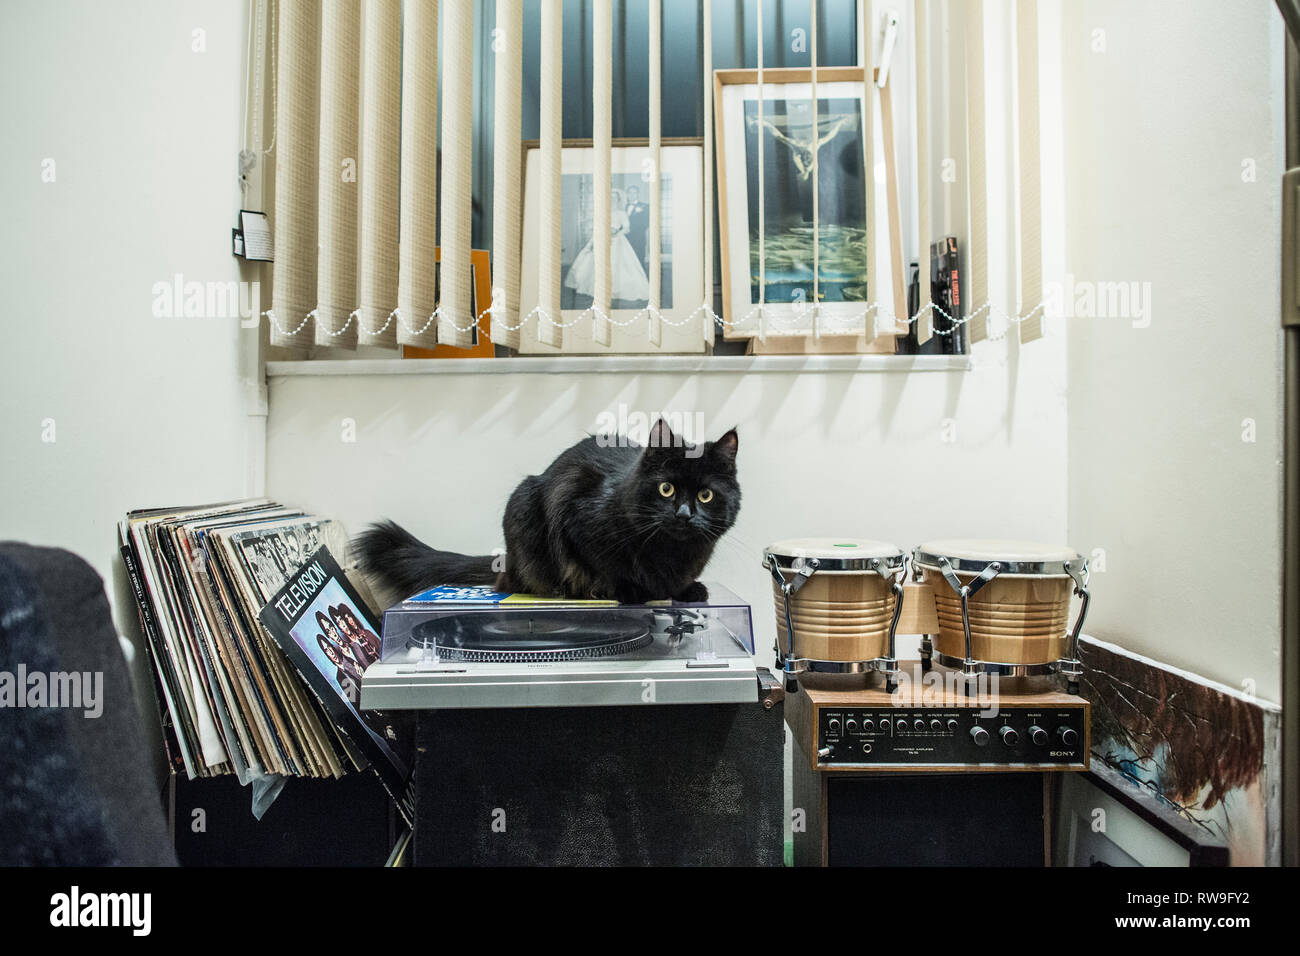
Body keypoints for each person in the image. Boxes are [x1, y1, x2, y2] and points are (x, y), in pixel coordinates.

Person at [563, 187, 650, 305]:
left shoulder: (621, 213)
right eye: (611, 198)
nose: (613, 200)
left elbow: (626, 228)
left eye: (615, 198)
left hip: (617, 241)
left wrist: (615, 233)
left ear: (618, 200)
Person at [317, 632, 362, 705]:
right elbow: (355, 703)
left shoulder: (350, 659)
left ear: (332, 647)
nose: (331, 652)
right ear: (326, 654)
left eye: (329, 647)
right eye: (326, 650)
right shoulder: (339, 677)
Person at [624, 184, 650, 271]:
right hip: (625, 239)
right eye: (630, 193)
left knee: (639, 260)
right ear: (627, 194)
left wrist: (631, 230)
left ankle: (642, 282)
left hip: (638, 239)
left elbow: (646, 223)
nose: (632, 195)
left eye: (634, 193)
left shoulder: (645, 206)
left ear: (638, 194)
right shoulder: (625, 207)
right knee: (627, 261)